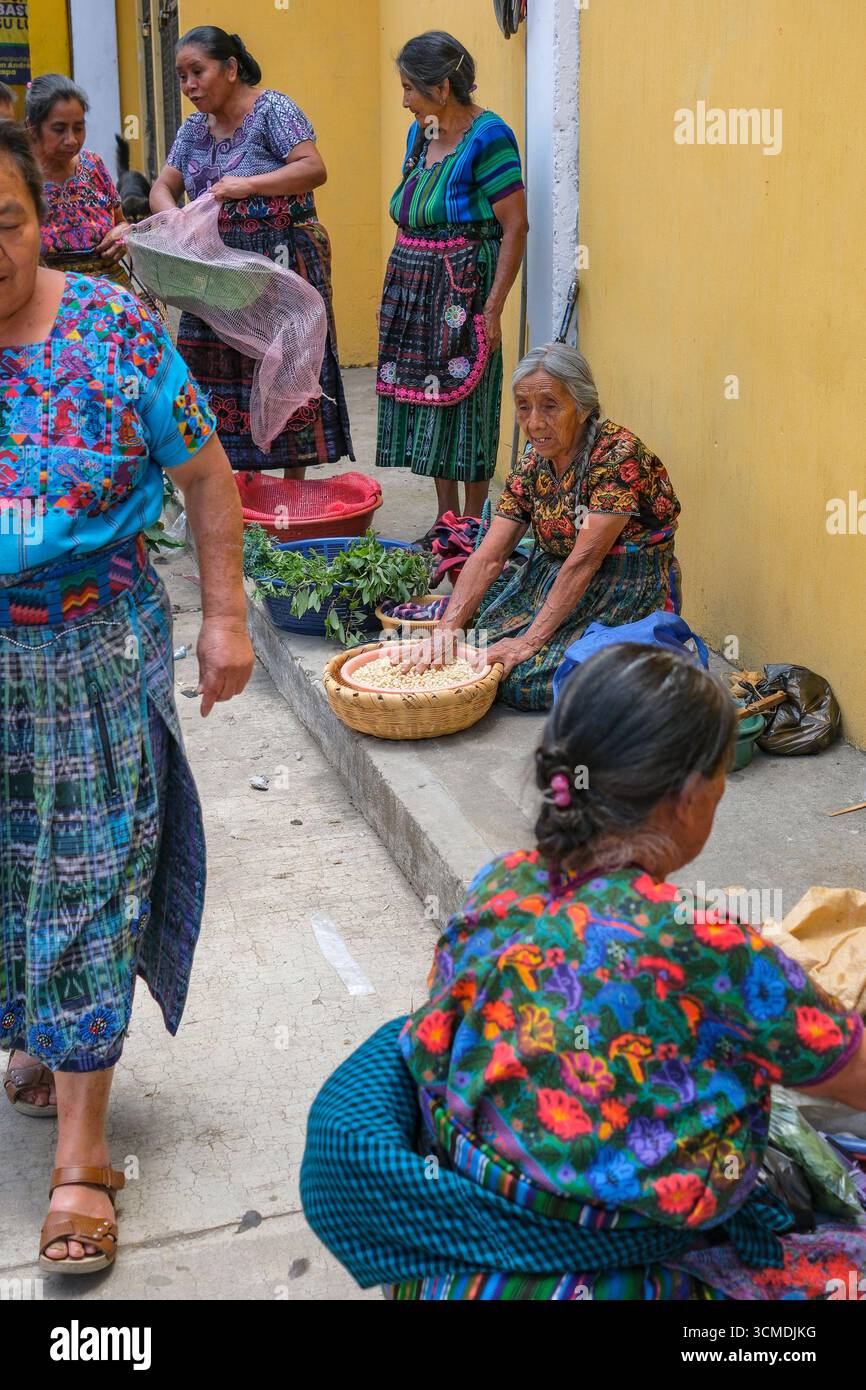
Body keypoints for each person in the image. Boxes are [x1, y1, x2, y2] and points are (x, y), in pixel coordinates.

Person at [302, 645, 866, 1300]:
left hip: (458, 1257)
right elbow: (855, 1076)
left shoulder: (500, 885)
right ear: (687, 798)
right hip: (598, 1275)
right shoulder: (703, 944)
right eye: (718, 782)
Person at [0, 122, 254, 1273]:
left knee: (93, 876)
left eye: (1, 224)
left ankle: (81, 1162)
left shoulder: (112, 329)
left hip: (97, 647)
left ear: (39, 219)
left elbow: (205, 472)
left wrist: (227, 616)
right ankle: (38, 1035)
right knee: (17, 873)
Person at [401, 343, 683, 709]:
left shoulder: (617, 456)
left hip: (624, 582)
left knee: (523, 677)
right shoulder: (535, 460)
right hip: (554, 574)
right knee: (477, 647)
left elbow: (585, 561)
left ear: (582, 408)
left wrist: (528, 642)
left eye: (550, 406)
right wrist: (444, 633)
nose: (534, 423)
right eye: (524, 407)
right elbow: (490, 554)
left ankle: (651, 665)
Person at [150, 26, 353, 480]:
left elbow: (313, 168)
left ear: (231, 68)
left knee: (281, 366)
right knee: (217, 375)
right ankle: (238, 496)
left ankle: (288, 497)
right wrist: (178, 221)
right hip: (213, 268)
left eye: (197, 72)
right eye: (182, 76)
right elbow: (163, 187)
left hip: (278, 262)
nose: (188, 86)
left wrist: (249, 185)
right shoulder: (191, 130)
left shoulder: (272, 110)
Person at [375, 31, 528, 541]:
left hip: (465, 288)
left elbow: (515, 226)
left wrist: (494, 307)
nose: (404, 100)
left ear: (441, 88)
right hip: (417, 290)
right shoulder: (421, 134)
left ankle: (474, 526)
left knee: (472, 404)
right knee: (430, 403)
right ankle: (445, 522)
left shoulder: (489, 137)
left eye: (410, 89)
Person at [26, 75, 133, 286]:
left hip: (111, 295)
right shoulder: (19, 178)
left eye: (78, 127)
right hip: (50, 298)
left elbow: (121, 221)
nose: (72, 140)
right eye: (59, 129)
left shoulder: (93, 166)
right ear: (32, 127)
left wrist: (123, 234)